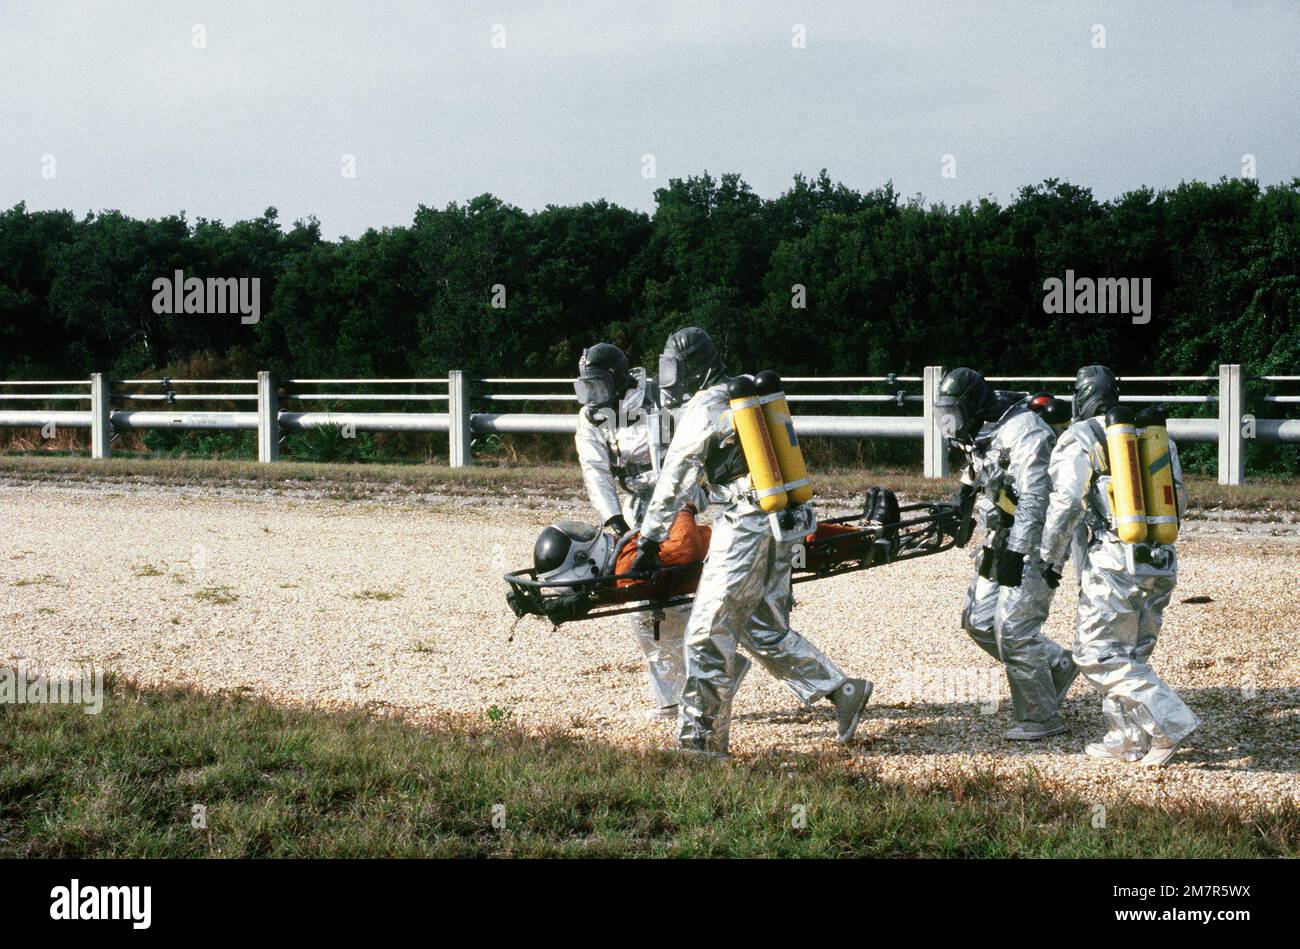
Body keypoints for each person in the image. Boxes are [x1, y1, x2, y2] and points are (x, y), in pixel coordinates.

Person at [631, 327, 871, 757]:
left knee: (706, 632)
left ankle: (700, 744)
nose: (668, 379)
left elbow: (674, 478)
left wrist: (650, 539)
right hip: (780, 516)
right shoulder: (743, 399)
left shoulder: (703, 407)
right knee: (762, 626)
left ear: (690, 370)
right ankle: (842, 690)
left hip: (743, 523)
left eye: (673, 368)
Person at [1039, 365, 1199, 766]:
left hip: (1113, 556)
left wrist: (1050, 559)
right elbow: (1177, 501)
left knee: (1097, 654)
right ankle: (1126, 738)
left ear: (1079, 397)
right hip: (1160, 555)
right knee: (1131, 653)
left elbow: (1064, 506)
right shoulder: (1154, 438)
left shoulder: (1080, 437)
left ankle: (1171, 721)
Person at [938, 368, 1078, 740]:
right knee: (980, 621)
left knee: (1014, 629)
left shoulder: (1024, 429)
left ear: (970, 406)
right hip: (1002, 534)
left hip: (1035, 539)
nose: (949, 423)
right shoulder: (979, 427)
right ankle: (1056, 665)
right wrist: (961, 504)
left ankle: (1040, 717)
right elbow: (975, 470)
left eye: (952, 413)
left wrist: (1019, 552)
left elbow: (1036, 498)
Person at [573, 343, 688, 719]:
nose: (593, 397)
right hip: (635, 508)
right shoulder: (591, 420)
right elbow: (595, 472)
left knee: (682, 588)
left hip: (679, 502)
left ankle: (711, 675)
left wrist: (674, 508)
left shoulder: (658, 400)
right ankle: (671, 696)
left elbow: (680, 457)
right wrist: (614, 521)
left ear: (618, 379)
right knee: (640, 596)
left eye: (599, 387)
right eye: (586, 388)